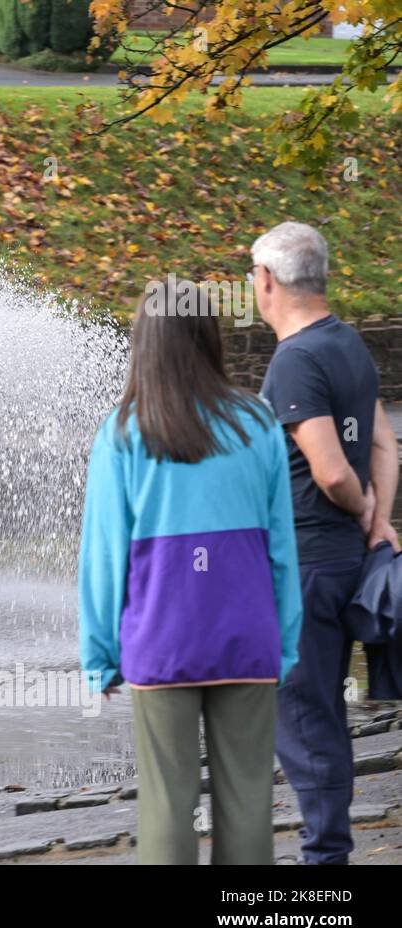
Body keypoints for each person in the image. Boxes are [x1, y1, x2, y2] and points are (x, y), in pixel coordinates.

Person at [79, 280, 302, 864]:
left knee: (165, 805)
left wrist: (99, 654)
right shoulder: (257, 423)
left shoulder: (123, 433)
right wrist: (286, 645)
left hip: (161, 640)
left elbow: (104, 556)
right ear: (210, 336)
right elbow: (282, 547)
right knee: (250, 803)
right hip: (248, 639)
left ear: (145, 343)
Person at [253, 221, 399, 865]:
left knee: (308, 718)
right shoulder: (350, 345)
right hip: (350, 560)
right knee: (325, 717)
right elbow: (384, 445)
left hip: (306, 567)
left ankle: (324, 871)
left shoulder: (294, 360)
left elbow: (333, 469)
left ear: (267, 282)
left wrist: (362, 503)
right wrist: (379, 522)